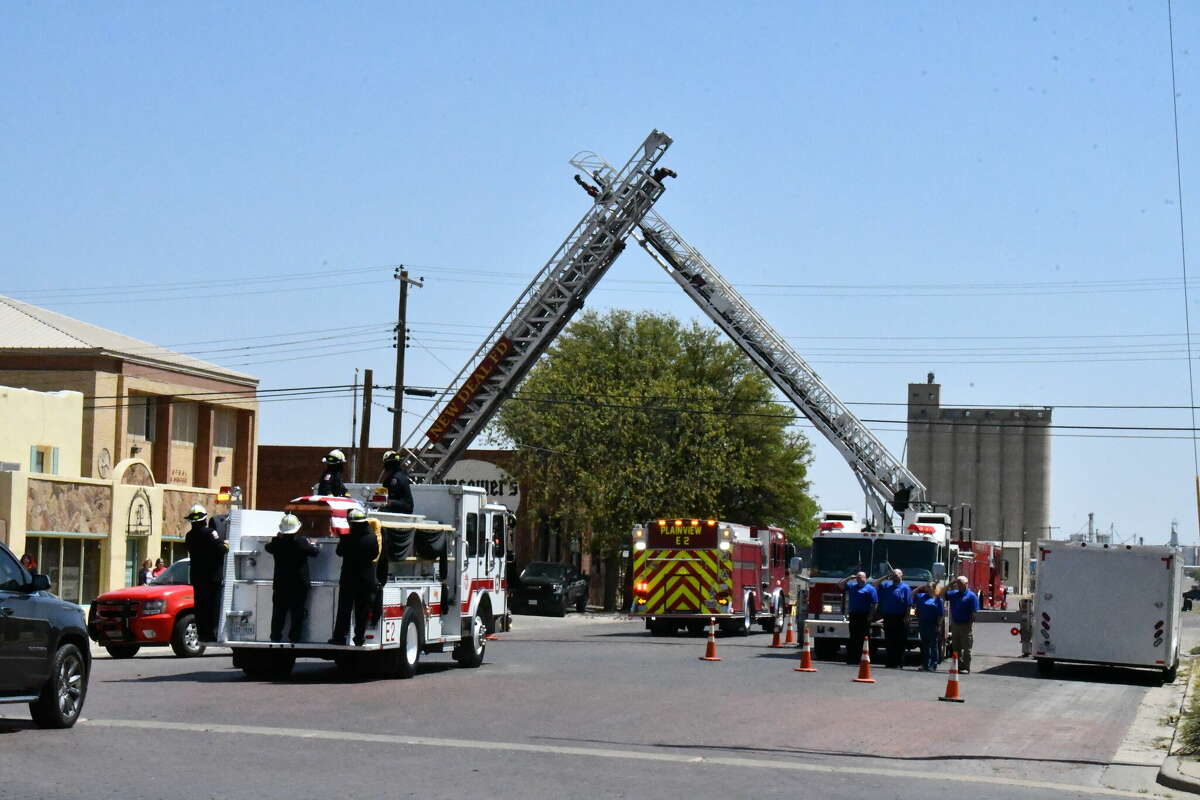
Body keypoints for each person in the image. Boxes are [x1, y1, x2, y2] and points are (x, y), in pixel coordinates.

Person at [263, 513, 318, 643]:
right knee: (297, 613)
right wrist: (312, 543)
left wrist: (276, 538)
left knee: (278, 613)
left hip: (281, 584)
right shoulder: (301, 542)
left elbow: (267, 547)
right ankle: (294, 638)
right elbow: (315, 552)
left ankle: (275, 636)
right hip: (299, 585)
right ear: (297, 528)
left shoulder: (277, 544)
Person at [330, 507, 380, 646]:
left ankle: (339, 637)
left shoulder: (347, 538)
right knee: (362, 610)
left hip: (348, 578)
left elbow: (339, 552)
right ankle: (359, 638)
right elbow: (375, 554)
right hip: (366, 579)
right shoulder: (372, 538)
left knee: (344, 609)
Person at [184, 503, 226, 642]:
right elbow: (221, 549)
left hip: (197, 578)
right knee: (213, 606)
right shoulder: (210, 533)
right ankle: (213, 633)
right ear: (204, 519)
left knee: (200, 607)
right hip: (212, 578)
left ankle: (202, 634)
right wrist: (226, 544)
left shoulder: (189, 536)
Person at [875, 568, 912, 668]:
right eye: (893, 574)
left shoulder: (906, 588)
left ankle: (899, 662)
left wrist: (907, 616)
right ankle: (890, 662)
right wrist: (885, 577)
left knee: (899, 641)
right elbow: (875, 584)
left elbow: (908, 604)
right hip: (888, 617)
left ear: (901, 576)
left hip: (900, 617)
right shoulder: (887, 585)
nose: (895, 576)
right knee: (889, 640)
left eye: (897, 574)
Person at [839, 571, 877, 665]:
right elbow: (840, 585)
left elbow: (875, 604)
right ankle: (852, 658)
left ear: (866, 578)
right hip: (854, 615)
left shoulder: (870, 589)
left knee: (864, 638)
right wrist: (848, 578)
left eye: (861, 577)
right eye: (858, 577)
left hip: (865, 615)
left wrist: (871, 616)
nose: (859, 578)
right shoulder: (852, 586)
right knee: (853, 637)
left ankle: (864, 657)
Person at [944, 575, 981, 673]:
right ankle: (958, 667)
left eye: (961, 584)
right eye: (958, 584)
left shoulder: (971, 596)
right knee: (956, 647)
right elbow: (941, 593)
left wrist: (970, 625)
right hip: (956, 624)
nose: (959, 586)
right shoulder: (954, 594)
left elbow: (974, 613)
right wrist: (951, 583)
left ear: (966, 584)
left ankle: (966, 667)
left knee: (966, 648)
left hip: (966, 624)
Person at [913, 583, 944, 672]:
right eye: (927, 587)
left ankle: (933, 664)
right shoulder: (921, 596)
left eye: (929, 587)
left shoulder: (938, 600)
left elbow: (940, 615)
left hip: (932, 624)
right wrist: (920, 587)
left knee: (933, 645)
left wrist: (938, 626)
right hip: (923, 623)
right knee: (925, 645)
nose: (927, 588)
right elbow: (912, 594)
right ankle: (925, 664)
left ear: (934, 588)